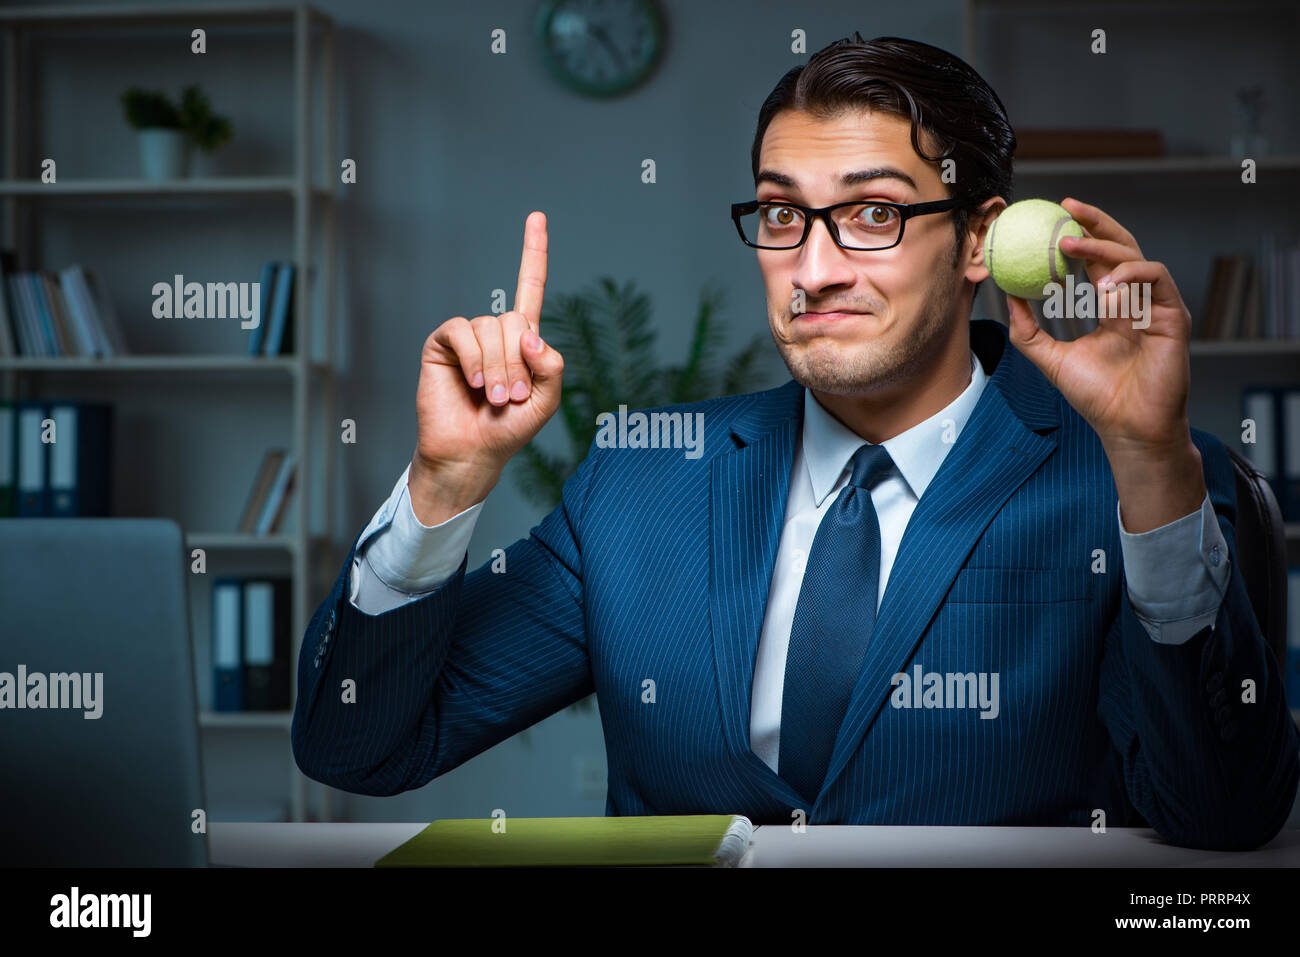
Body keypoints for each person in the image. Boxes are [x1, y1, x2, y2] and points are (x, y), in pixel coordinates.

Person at [291, 34, 1298, 849]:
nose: (811, 267)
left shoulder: (1132, 479)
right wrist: (440, 485)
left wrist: (1151, 467)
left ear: (980, 241)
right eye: (781, 215)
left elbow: (1222, 817)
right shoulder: (642, 480)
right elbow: (359, 748)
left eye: (870, 214)